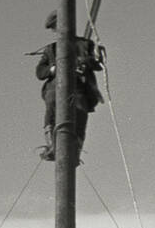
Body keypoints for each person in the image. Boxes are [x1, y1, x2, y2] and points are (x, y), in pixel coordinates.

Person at [33, 12, 104, 162]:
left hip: (78, 87)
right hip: (55, 86)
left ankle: (75, 150)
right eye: (54, 28)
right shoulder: (51, 49)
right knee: (52, 105)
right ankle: (52, 145)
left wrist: (88, 60)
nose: (55, 31)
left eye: (56, 26)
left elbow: (96, 65)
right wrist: (53, 69)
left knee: (80, 113)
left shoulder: (84, 44)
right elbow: (40, 72)